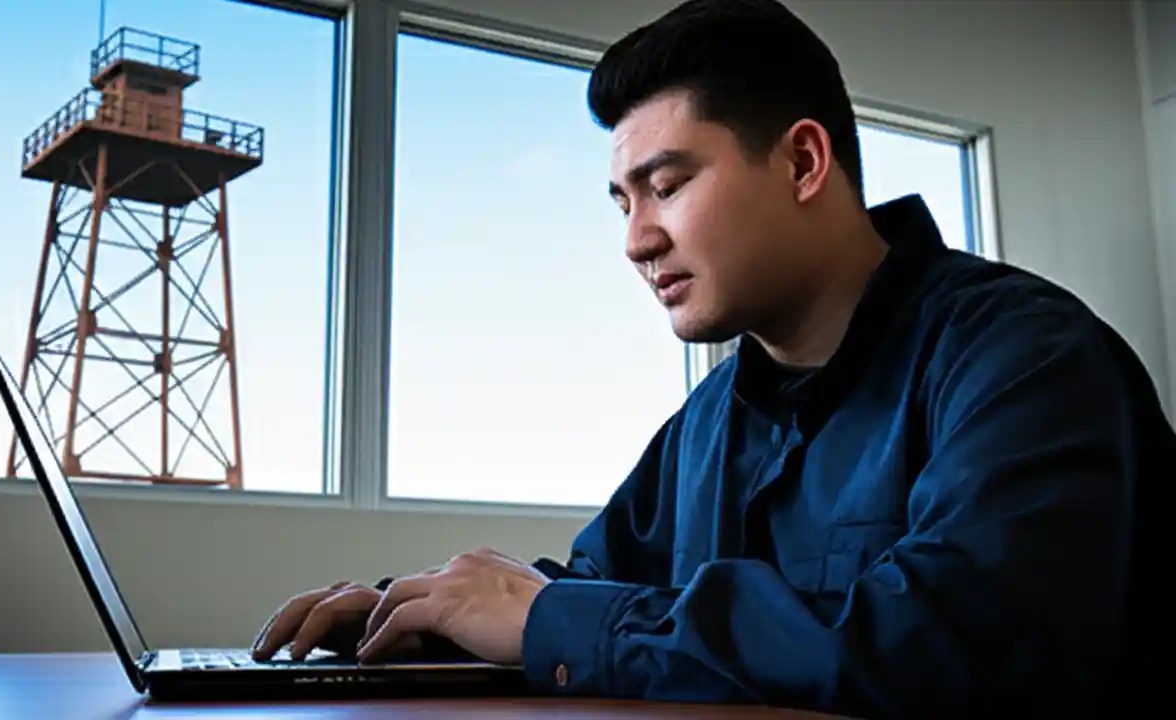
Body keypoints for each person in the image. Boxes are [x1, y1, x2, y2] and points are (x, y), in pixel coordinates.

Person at [251, 0, 1172, 716]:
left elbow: (949, 650)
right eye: (621, 201)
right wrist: (421, 618)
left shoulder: (1025, 361)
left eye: (667, 184)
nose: (637, 241)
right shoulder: (710, 418)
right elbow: (602, 591)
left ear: (804, 163)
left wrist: (551, 619)